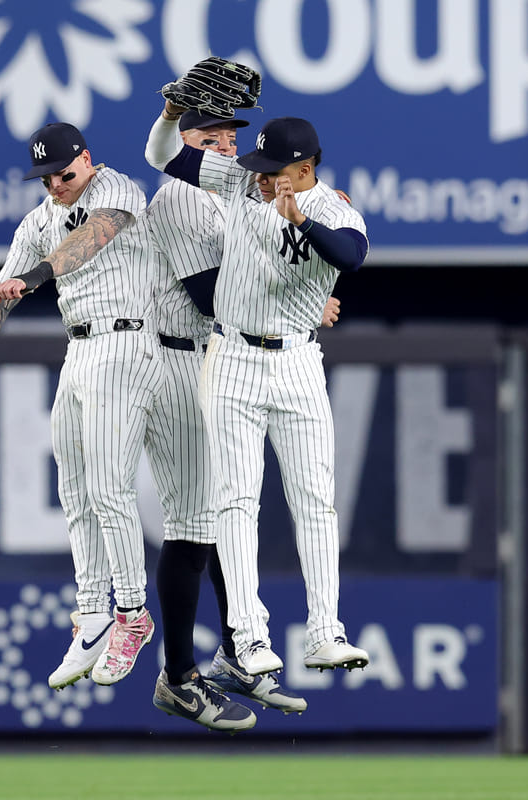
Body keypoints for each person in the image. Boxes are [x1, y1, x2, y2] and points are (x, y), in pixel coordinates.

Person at [145, 98, 370, 676]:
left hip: (297, 360)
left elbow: (351, 254)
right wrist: (172, 114)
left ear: (307, 168)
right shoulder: (245, 185)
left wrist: (301, 219)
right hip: (233, 356)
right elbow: (163, 154)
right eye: (259, 166)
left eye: (275, 170)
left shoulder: (337, 211)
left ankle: (326, 632)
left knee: (315, 499)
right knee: (236, 501)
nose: (262, 177)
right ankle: (247, 637)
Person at [0, 122, 162, 689]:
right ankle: (91, 615)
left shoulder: (116, 189)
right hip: (80, 348)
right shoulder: (38, 219)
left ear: (87, 159)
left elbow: (94, 238)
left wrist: (37, 276)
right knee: (75, 489)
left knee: (109, 485)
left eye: (65, 173)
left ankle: (132, 615)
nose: (57, 184)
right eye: (47, 177)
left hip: (128, 339)